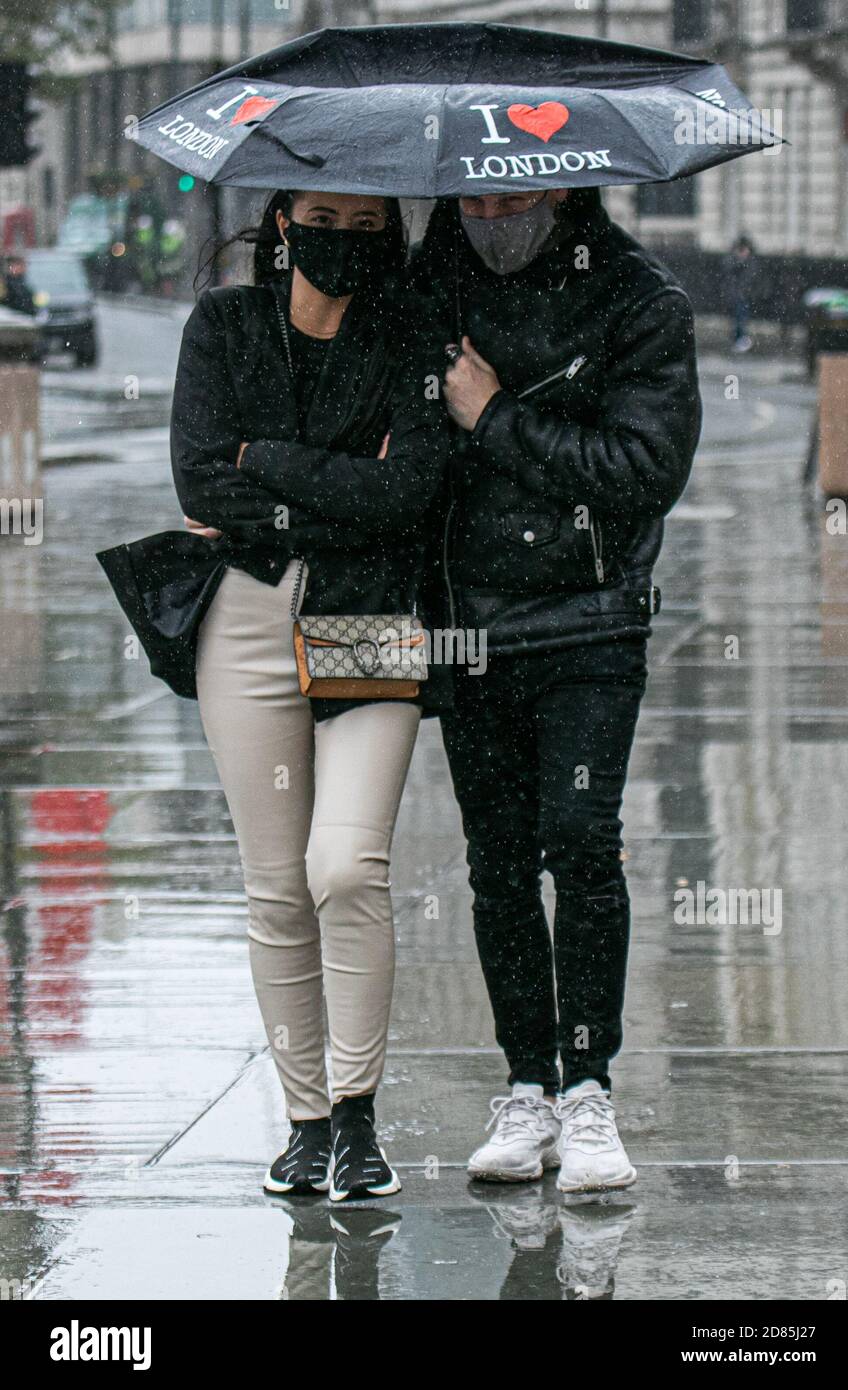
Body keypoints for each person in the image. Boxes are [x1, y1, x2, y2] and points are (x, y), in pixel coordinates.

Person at [412, 186, 701, 1191]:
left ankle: (587, 1088)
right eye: (476, 195)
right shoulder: (426, 289)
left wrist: (491, 417)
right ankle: (524, 1083)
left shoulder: (636, 299)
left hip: (589, 618)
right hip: (465, 622)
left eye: (517, 193)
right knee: (494, 861)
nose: (495, 214)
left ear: (569, 185)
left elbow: (639, 468)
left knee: (578, 842)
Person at [174, 188, 448, 1202]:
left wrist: (268, 465)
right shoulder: (224, 326)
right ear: (283, 220)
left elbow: (410, 492)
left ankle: (358, 1113)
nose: (347, 236)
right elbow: (201, 483)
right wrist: (338, 481)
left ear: (390, 230)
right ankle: (304, 1125)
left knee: (345, 866)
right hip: (242, 623)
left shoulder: (411, 332)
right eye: (325, 214)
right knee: (276, 885)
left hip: (369, 618)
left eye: (369, 220)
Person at [725, 233, 757, 352]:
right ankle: (738, 340)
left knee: (741, 319)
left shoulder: (751, 262)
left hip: (744, 296)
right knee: (737, 320)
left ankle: (741, 340)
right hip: (736, 295)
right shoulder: (733, 260)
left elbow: (751, 279)